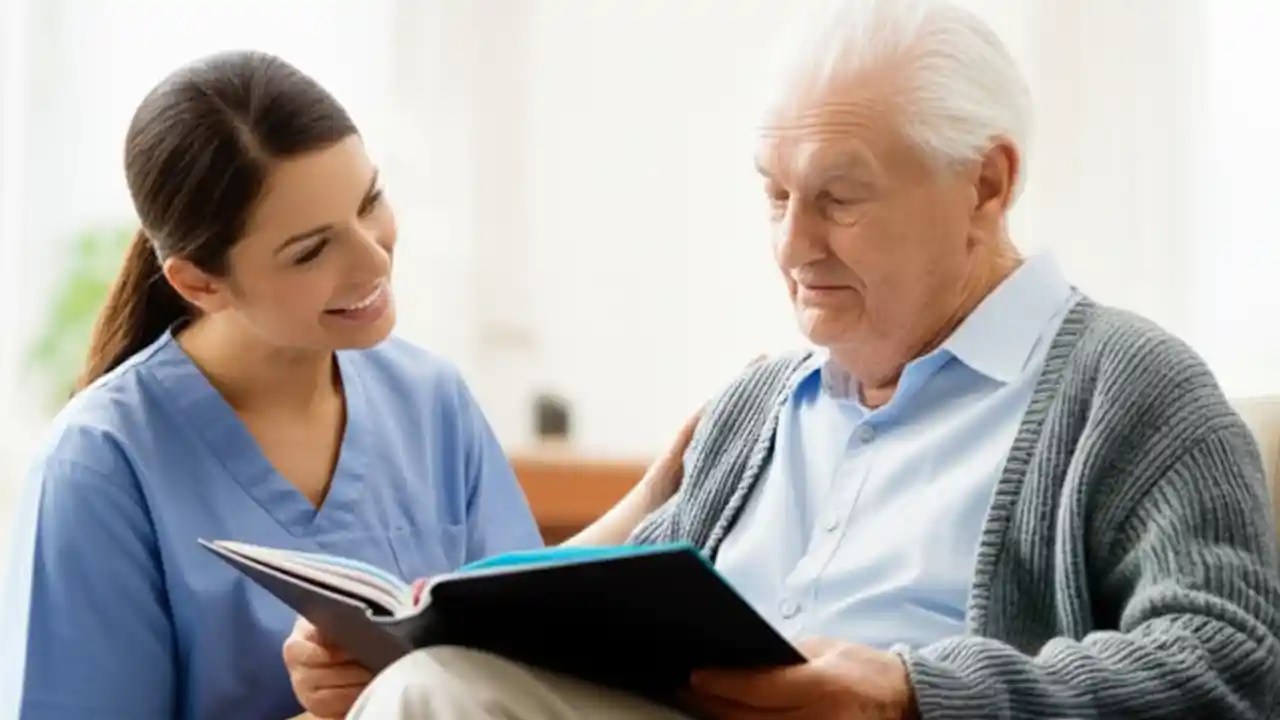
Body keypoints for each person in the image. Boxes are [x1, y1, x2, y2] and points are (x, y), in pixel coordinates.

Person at [310, 0, 1280, 718]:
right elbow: (597, 633)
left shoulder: (1133, 390)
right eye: (773, 196)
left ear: (984, 184)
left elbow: (1232, 661)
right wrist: (395, 648)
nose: (790, 245)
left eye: (837, 199)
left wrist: (911, 693)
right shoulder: (759, 404)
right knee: (420, 690)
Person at [0, 50, 694, 720]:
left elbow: (518, 667)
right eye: (310, 250)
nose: (372, 259)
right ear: (199, 281)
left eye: (370, 201)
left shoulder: (432, 404)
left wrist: (651, 502)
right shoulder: (100, 464)